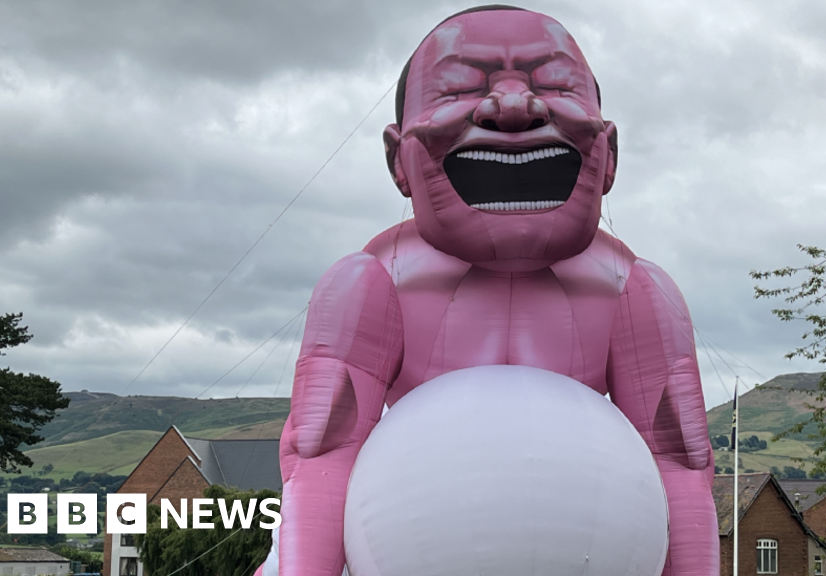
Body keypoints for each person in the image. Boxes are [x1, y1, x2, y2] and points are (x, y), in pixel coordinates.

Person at [267, 6, 719, 576]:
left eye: (554, 84)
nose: (513, 106)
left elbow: (681, 466)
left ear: (609, 155)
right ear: (396, 160)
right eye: (458, 87)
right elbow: (319, 461)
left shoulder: (633, 291)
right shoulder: (373, 283)